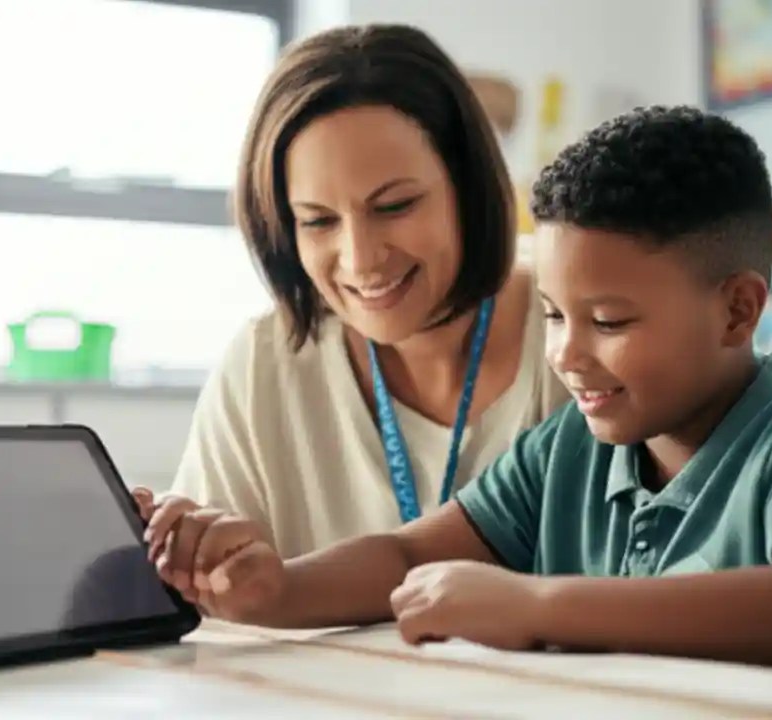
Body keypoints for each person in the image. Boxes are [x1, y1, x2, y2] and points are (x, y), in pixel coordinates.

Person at [142, 106, 772, 685]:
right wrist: (277, 586)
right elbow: (410, 552)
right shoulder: (571, 450)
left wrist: (535, 605)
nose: (567, 355)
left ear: (739, 310)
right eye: (553, 313)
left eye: (609, 321)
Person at [134, 24, 567, 559]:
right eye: (317, 221)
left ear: (467, 188)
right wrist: (182, 558)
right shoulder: (264, 366)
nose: (361, 260)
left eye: (394, 206)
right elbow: (212, 608)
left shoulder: (576, 331)